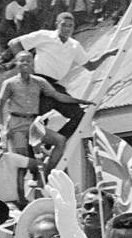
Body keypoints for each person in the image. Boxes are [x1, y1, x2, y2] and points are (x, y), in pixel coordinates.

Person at [7, 13, 115, 142]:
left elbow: (90, 66)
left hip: (54, 85)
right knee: (37, 121)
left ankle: (54, 142)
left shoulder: (74, 45)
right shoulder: (45, 35)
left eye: (70, 26)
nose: (67, 29)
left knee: (79, 116)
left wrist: (106, 55)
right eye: (64, 25)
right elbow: (14, 43)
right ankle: (34, 152)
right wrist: (25, 63)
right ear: (57, 25)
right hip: (38, 82)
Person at [0, 51, 92, 184]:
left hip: (33, 124)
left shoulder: (39, 81)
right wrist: (1, 127)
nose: (25, 63)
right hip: (16, 123)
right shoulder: (9, 83)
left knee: (60, 140)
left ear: (33, 64)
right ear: (16, 63)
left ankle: (46, 174)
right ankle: (21, 193)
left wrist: (80, 101)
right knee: (22, 161)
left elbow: (58, 96)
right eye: (22, 60)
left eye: (28, 60)